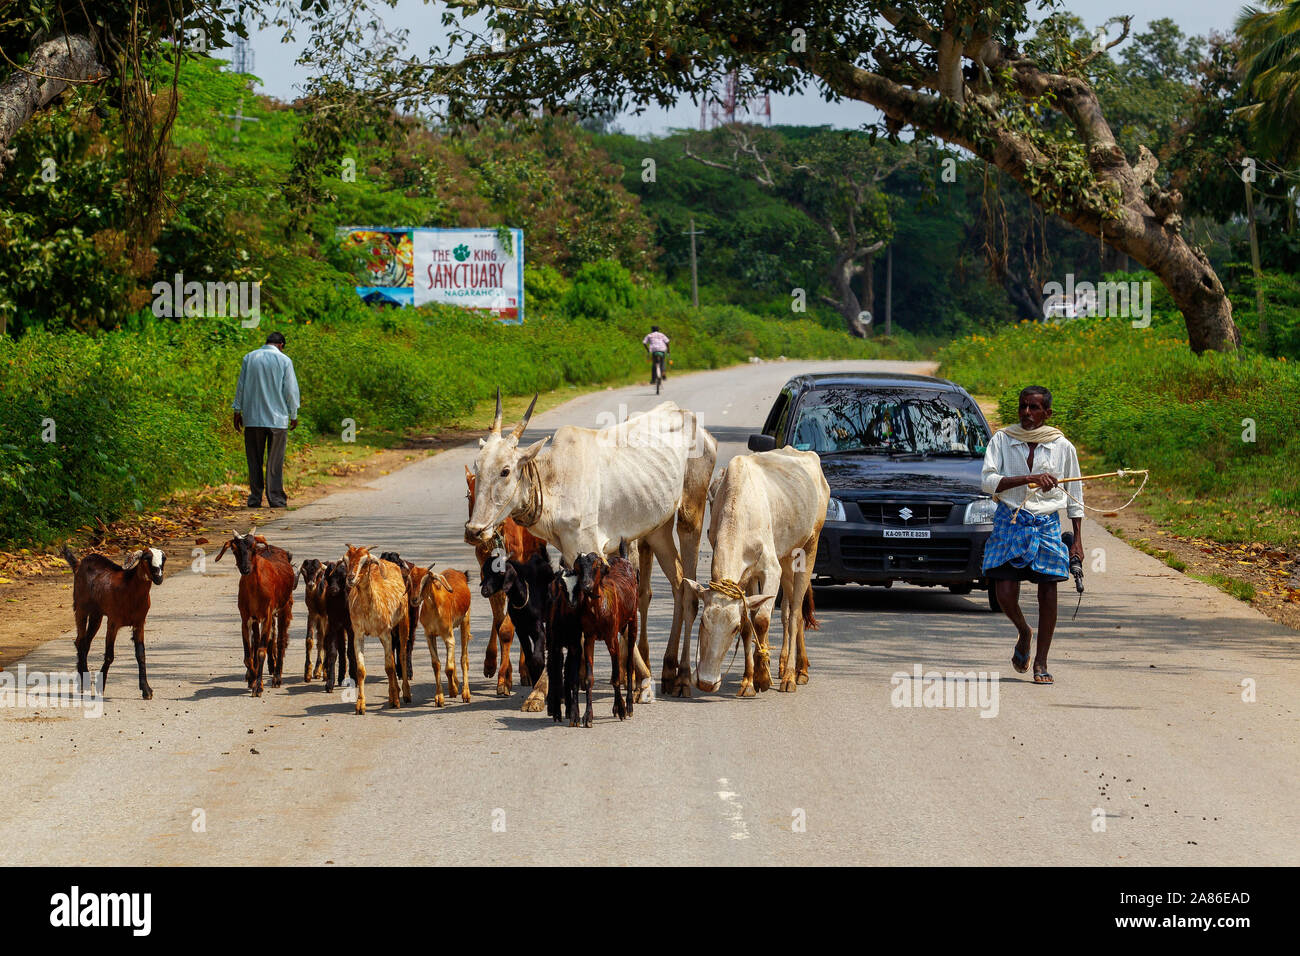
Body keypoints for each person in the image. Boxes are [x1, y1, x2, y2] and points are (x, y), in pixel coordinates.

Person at [980, 386, 1083, 685]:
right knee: (1005, 594)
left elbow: (1074, 495)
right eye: (1023, 407)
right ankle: (1024, 631)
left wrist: (1077, 540)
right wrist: (1028, 478)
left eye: (1034, 408)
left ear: (1047, 413)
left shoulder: (1062, 446)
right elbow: (988, 482)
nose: (1027, 413)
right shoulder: (1002, 439)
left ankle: (1041, 661)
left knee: (1048, 592)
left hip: (1046, 524)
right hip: (1010, 519)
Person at [232, 331, 300, 508]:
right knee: (274, 461)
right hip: (277, 420)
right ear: (281, 345)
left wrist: (237, 410)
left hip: (253, 418)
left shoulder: (250, 358)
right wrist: (294, 414)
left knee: (254, 459)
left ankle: (255, 498)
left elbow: (241, 386)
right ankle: (275, 499)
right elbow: (291, 391)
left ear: (267, 342)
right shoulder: (284, 360)